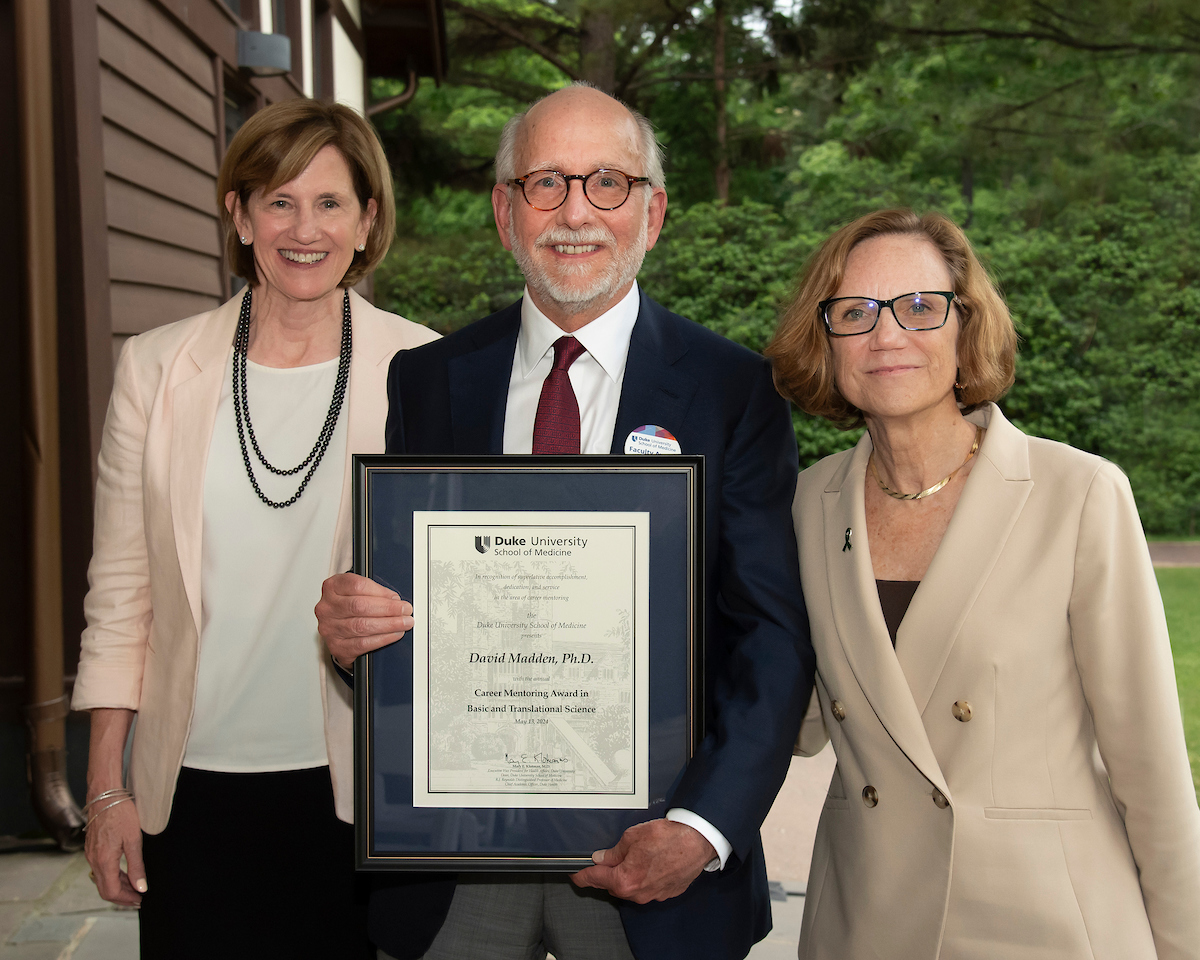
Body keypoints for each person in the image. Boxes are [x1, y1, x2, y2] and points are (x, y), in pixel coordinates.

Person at [314, 82, 814, 960]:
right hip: (459, 865)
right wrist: (359, 639)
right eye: (545, 182)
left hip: (652, 859)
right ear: (506, 213)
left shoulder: (736, 391)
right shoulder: (430, 380)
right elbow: (413, 626)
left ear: (653, 214)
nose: (575, 212)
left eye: (608, 184)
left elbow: (770, 638)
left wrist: (701, 827)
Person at [766, 208, 1200, 960]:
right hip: (865, 924)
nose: (887, 335)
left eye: (920, 307)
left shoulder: (1080, 494)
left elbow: (1151, 770)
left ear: (966, 327)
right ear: (825, 337)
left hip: (1043, 928)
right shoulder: (808, 503)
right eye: (855, 312)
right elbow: (795, 717)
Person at [71, 98, 439, 959]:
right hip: (191, 789)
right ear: (239, 215)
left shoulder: (424, 369)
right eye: (277, 200)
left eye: (329, 202)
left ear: (368, 219)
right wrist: (105, 791)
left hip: (361, 791)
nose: (302, 228)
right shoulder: (157, 368)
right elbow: (120, 595)